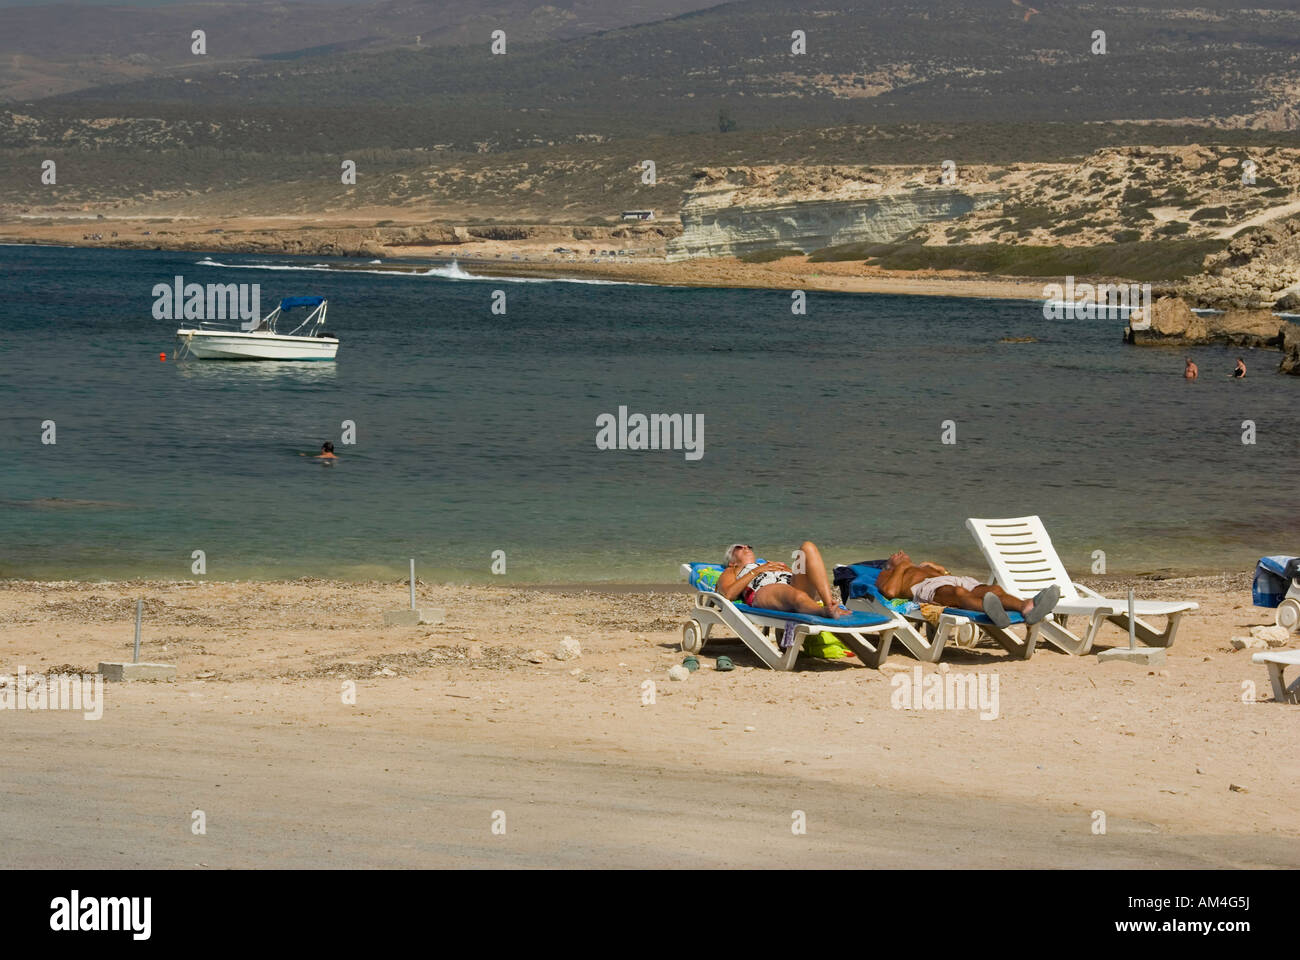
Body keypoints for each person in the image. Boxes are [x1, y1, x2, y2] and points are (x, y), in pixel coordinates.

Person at [874, 550, 1059, 628]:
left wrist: (940, 569)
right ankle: (990, 609)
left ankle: (1025, 606)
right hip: (927, 588)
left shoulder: (922, 566)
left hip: (955, 580)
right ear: (887, 564)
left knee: (993, 589)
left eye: (902, 554)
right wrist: (901, 565)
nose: (900, 553)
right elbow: (890, 593)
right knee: (958, 594)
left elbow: (948, 576)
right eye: (894, 555)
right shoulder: (887, 574)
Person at [716, 541, 851, 618]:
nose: (745, 547)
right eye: (739, 547)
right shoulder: (733, 570)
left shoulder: (768, 564)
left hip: (790, 583)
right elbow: (728, 594)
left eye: (748, 546)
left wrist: (787, 571)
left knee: (807, 547)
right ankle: (824, 612)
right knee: (796, 596)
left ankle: (830, 604)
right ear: (731, 561)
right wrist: (757, 571)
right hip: (765, 589)